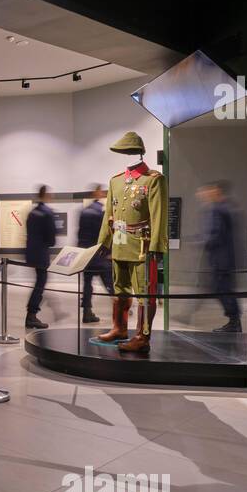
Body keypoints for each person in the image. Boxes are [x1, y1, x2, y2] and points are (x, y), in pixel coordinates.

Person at [95, 131, 167, 354]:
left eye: (131, 152)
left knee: (145, 292)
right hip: (120, 240)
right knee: (120, 288)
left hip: (142, 246)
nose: (128, 155)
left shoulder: (154, 180)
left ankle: (141, 337)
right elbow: (110, 213)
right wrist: (103, 243)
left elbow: (159, 215)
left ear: (140, 153)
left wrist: (156, 247)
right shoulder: (115, 181)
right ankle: (119, 329)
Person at [199, 180, 240, 333]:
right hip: (222, 258)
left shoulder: (219, 209)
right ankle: (234, 322)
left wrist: (202, 242)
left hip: (221, 259)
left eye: (207, 191)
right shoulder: (224, 208)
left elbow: (216, 234)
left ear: (216, 191)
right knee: (221, 289)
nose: (204, 194)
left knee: (223, 289)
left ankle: (234, 322)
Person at [78, 183, 113, 323]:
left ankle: (87, 312)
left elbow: (80, 234)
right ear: (99, 193)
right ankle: (122, 307)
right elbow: (105, 235)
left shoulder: (84, 211)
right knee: (110, 283)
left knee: (87, 284)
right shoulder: (101, 212)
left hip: (86, 255)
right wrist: (109, 252)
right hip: (99, 255)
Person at [24, 185, 57, 330]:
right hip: (42, 253)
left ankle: (31, 314)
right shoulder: (47, 213)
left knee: (39, 282)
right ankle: (31, 315)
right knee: (40, 283)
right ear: (46, 195)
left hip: (31, 253)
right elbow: (51, 239)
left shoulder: (33, 212)